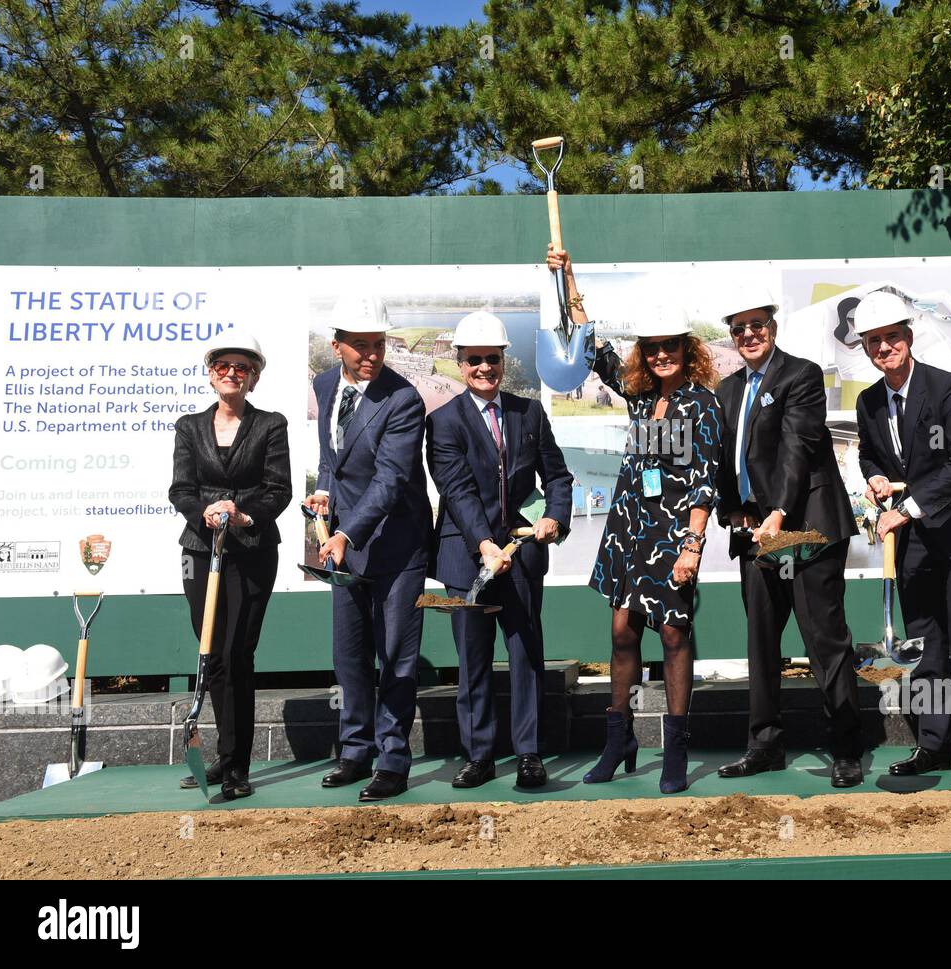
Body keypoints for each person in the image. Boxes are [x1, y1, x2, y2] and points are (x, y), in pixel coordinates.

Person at [548, 245, 723, 794]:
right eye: (652, 348)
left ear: (686, 349)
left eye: (670, 346)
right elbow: (592, 345)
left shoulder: (703, 404)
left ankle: (675, 749)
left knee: (673, 632)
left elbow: (704, 480)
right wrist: (569, 275)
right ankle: (618, 738)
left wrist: (692, 548)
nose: (661, 356)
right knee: (622, 631)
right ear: (644, 353)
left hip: (673, 536)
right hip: (628, 528)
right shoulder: (640, 398)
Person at [852, 290, 951, 788]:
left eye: (891, 337)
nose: (883, 348)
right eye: (873, 341)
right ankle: (934, 746)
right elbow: (870, 457)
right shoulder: (868, 402)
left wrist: (906, 509)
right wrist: (877, 479)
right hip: (914, 540)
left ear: (908, 338)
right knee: (924, 646)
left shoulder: (948, 389)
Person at [714, 286, 865, 788]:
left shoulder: (799, 374)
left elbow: (798, 446)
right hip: (758, 534)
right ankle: (765, 746)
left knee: (825, 640)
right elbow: (726, 461)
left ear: (772, 329)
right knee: (761, 642)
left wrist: (779, 511)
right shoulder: (728, 389)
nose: (749, 335)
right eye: (739, 328)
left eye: (757, 325)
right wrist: (734, 513)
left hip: (805, 526)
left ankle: (846, 748)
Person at [426, 310, 573, 789]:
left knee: (526, 653)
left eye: (492, 359)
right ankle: (479, 755)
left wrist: (554, 516)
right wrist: (486, 544)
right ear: (460, 363)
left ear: (503, 360)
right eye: (475, 360)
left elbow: (558, 476)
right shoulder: (443, 423)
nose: (484, 368)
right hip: (467, 557)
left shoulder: (528, 412)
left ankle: (529, 753)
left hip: (524, 556)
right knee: (473, 659)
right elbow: (457, 489)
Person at [305, 294, 433, 802]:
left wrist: (344, 532)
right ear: (337, 346)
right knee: (350, 657)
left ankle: (393, 760)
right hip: (346, 547)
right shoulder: (323, 384)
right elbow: (331, 457)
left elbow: (390, 480)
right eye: (360, 346)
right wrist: (322, 489)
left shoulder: (403, 400)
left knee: (397, 657)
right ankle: (355, 752)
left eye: (378, 344)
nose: (371, 355)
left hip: (397, 547)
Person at [170, 333, 292, 800]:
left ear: (254, 377)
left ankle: (239, 765)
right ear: (210, 372)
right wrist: (207, 509)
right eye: (223, 365)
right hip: (201, 551)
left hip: (252, 551)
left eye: (242, 367)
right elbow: (180, 489)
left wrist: (240, 513)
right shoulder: (189, 427)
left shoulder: (270, 425)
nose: (231, 373)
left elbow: (277, 489)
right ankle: (222, 755)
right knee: (213, 655)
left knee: (239, 653)